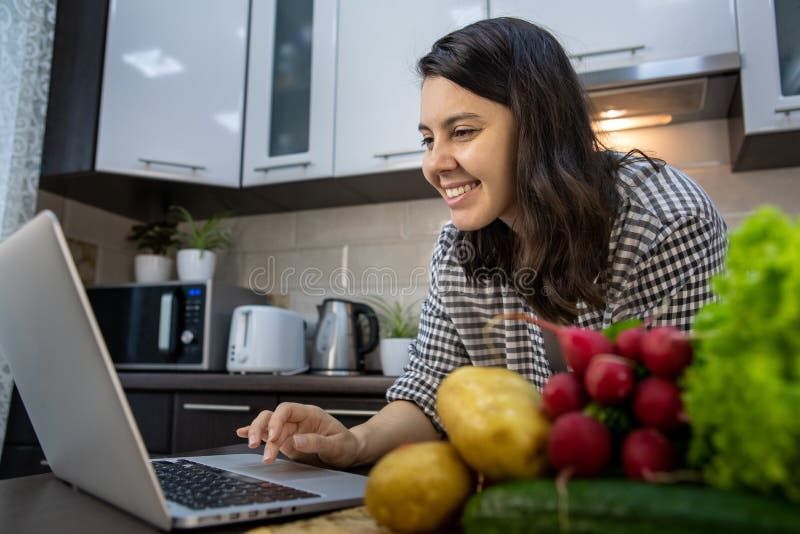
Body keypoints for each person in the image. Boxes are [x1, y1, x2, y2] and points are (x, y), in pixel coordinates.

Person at [235, 17, 727, 468]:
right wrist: (354, 442)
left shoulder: (663, 219)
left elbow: (677, 423)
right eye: (428, 139)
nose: (435, 163)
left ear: (539, 126)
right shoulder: (458, 247)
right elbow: (432, 390)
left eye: (463, 131)